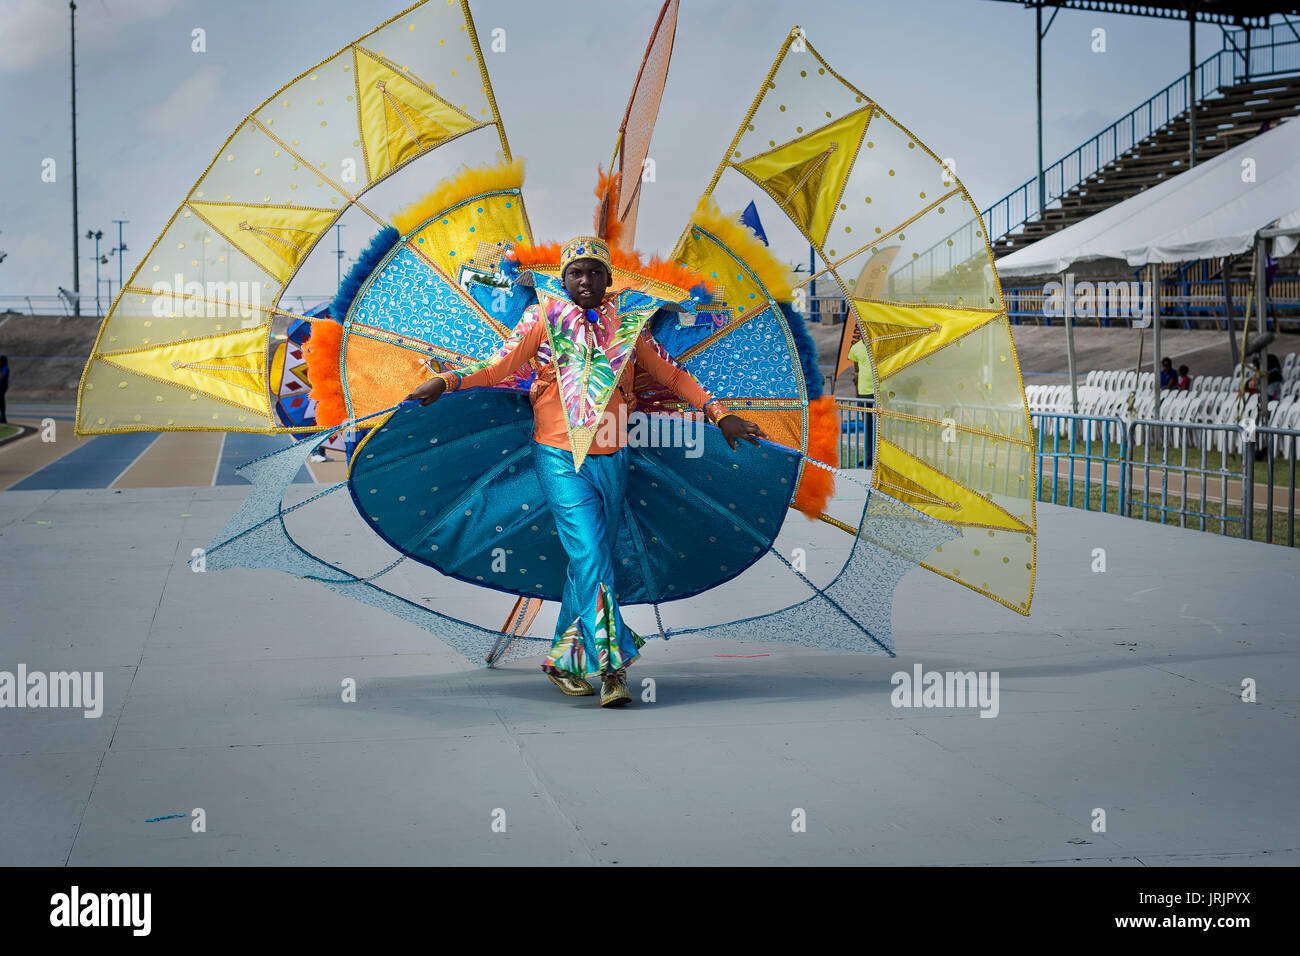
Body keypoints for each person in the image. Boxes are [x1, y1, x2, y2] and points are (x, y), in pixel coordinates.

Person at [405, 236, 766, 707]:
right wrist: (448, 380)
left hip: (615, 455)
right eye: (576, 273)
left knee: (588, 561)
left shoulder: (629, 321)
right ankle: (613, 668)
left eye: (594, 272)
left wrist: (719, 414)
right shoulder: (542, 317)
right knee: (593, 554)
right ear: (563, 278)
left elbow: (670, 375)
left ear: (607, 277)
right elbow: (498, 369)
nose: (585, 281)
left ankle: (563, 660)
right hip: (558, 455)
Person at [845, 327, 875, 466]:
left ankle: (882, 457)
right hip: (864, 392)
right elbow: (856, 372)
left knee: (882, 426)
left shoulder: (877, 345)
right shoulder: (855, 348)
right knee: (867, 425)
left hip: (880, 392)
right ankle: (869, 456)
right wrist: (856, 392)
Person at [0, 355, 8, 423]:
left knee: (1, 402)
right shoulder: (2, 368)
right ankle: (2, 417)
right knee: (1, 402)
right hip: (1, 386)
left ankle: (3, 418)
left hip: (3, 386)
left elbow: (2, 376)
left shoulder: (5, 368)